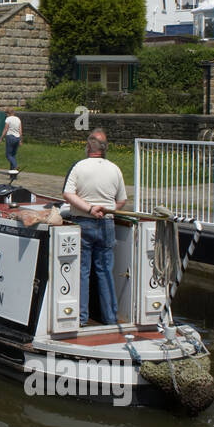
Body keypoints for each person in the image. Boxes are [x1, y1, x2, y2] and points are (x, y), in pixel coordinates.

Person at [62, 129, 127, 327]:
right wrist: (105, 210)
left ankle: (81, 318)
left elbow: (68, 194)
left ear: (89, 146)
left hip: (83, 222)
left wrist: (90, 209)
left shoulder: (79, 167)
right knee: (105, 272)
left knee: (82, 272)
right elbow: (122, 200)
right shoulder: (115, 169)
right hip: (107, 223)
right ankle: (110, 318)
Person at [2, 108, 22, 173]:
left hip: (10, 137)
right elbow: (20, 131)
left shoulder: (8, 119)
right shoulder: (18, 119)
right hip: (17, 138)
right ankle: (13, 173)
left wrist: (1, 138)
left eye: (6, 114)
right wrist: (20, 140)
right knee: (13, 155)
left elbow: (5, 129)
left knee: (8, 155)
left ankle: (15, 166)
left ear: (8, 113)